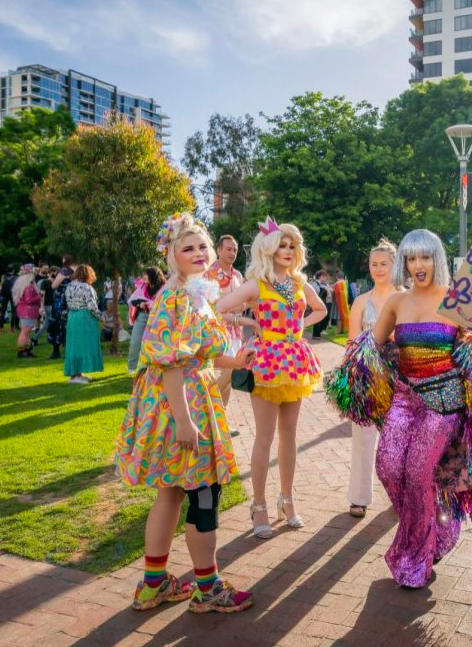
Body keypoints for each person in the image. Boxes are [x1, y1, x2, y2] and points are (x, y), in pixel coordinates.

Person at [325, 229, 472, 589]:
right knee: (387, 467)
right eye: (412, 258)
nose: (418, 265)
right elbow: (373, 344)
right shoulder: (397, 302)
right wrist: (353, 371)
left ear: (437, 260)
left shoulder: (457, 301)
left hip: (444, 403)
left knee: (418, 473)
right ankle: (437, 530)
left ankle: (414, 558)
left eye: (425, 257)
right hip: (404, 398)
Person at [114, 214, 257, 614]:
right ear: (172, 255)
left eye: (201, 247)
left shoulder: (193, 293)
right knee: (204, 493)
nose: (197, 253)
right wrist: (183, 420)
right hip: (182, 403)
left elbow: (200, 352)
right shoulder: (176, 296)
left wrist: (235, 361)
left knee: (172, 490)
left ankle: (154, 584)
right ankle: (208, 589)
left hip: (184, 398)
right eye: (187, 247)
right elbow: (172, 365)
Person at [216, 218, 326, 539]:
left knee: (289, 435)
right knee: (264, 436)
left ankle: (287, 500)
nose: (288, 250)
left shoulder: (299, 284)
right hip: (265, 363)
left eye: (292, 245)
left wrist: (299, 328)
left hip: (293, 361)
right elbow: (217, 308)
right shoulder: (256, 284)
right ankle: (259, 504)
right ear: (269, 248)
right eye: (282, 244)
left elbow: (318, 310)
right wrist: (248, 323)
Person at [344, 239, 399, 518]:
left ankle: (399, 494)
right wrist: (351, 377)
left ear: (394, 265)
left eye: (384, 264)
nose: (378, 269)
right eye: (374, 264)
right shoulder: (361, 302)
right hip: (367, 378)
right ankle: (359, 497)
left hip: (400, 379)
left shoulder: (405, 298)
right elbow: (352, 341)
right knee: (363, 439)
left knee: (398, 439)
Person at [208, 235, 246, 404]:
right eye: (228, 249)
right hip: (218, 328)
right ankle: (206, 403)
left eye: (235, 250)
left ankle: (221, 419)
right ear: (219, 250)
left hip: (236, 330)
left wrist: (234, 305)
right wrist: (233, 306)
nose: (232, 253)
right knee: (230, 368)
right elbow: (209, 304)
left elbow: (244, 302)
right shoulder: (209, 273)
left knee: (230, 375)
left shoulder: (238, 275)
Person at [62, 265, 103, 383]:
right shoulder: (87, 287)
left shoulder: (69, 286)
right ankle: (76, 376)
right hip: (85, 318)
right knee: (83, 345)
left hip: (72, 317)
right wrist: (101, 317)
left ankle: (77, 373)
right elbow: (92, 306)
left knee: (74, 346)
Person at [127, 266, 165, 373]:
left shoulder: (165, 287)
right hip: (142, 316)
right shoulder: (143, 287)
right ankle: (132, 368)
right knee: (135, 342)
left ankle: (149, 366)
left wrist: (154, 304)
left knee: (154, 343)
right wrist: (140, 304)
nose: (144, 277)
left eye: (146, 274)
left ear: (153, 275)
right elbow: (133, 301)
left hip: (157, 317)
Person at [11, 264, 42, 359]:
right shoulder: (29, 286)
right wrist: (39, 296)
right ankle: (21, 351)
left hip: (25, 311)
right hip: (27, 311)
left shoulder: (25, 285)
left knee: (26, 332)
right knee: (25, 331)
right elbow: (28, 300)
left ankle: (26, 350)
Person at [48, 254, 75, 359]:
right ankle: (69, 351)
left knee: (58, 325)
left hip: (61, 301)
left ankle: (56, 351)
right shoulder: (78, 270)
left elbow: (54, 285)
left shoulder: (65, 270)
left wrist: (52, 281)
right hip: (73, 301)